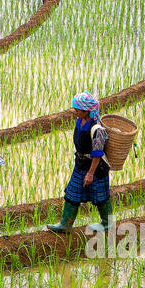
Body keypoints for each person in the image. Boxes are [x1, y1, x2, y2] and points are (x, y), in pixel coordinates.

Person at [47, 92, 113, 233]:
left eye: (77, 110)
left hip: (95, 168)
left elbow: (97, 154)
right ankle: (65, 225)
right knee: (72, 194)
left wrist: (90, 174)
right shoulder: (80, 121)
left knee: (100, 196)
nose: (75, 112)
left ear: (86, 111)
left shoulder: (97, 129)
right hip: (80, 164)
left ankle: (107, 223)